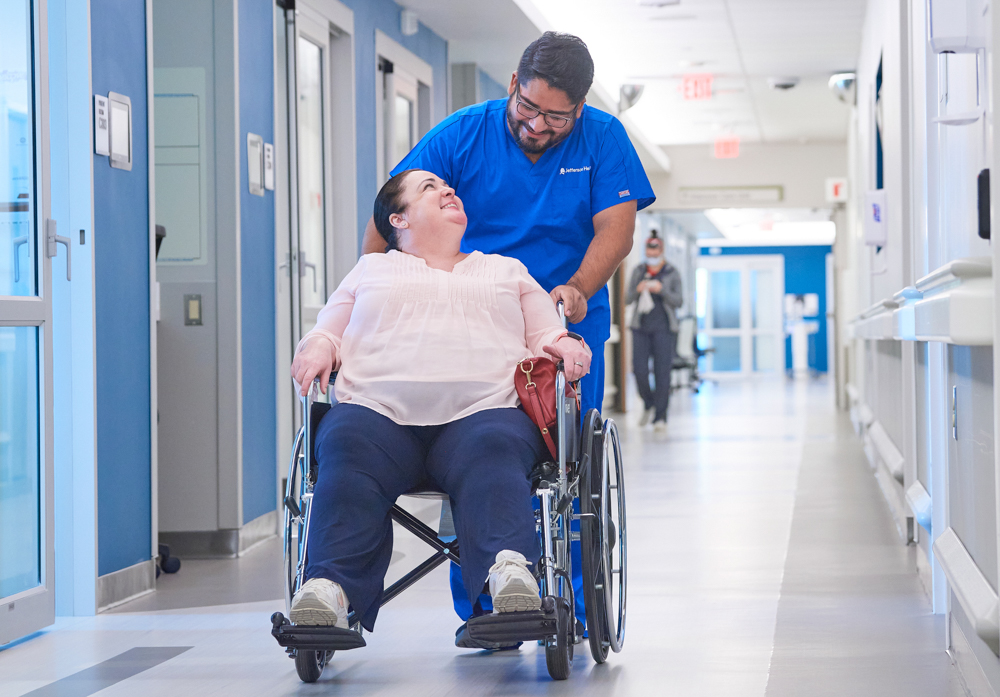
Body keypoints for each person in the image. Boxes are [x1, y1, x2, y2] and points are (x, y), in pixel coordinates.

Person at [360, 31, 655, 636]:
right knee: (468, 443)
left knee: (562, 466)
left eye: (556, 117)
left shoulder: (603, 139)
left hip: (561, 315)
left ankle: (565, 602)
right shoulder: (462, 134)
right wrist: (376, 298)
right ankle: (486, 605)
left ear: (579, 109)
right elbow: (391, 218)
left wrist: (575, 289)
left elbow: (615, 233)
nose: (538, 125)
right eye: (528, 108)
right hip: (468, 323)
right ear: (513, 86)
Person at [288, 170, 591, 633]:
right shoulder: (372, 268)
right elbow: (327, 329)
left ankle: (510, 574)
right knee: (344, 440)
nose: (448, 190)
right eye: (429, 188)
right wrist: (319, 347)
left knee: (495, 445)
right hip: (376, 416)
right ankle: (326, 587)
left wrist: (565, 343)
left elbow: (545, 333)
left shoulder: (505, 270)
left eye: (448, 186)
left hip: (482, 413)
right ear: (399, 219)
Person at [625, 231, 683, 431]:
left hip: (664, 330)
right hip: (640, 328)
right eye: (649, 248)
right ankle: (648, 403)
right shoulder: (639, 271)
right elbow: (626, 299)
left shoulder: (672, 272)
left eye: (655, 247)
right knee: (639, 371)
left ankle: (660, 416)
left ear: (662, 249)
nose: (652, 251)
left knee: (662, 374)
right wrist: (639, 289)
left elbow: (679, 301)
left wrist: (662, 290)